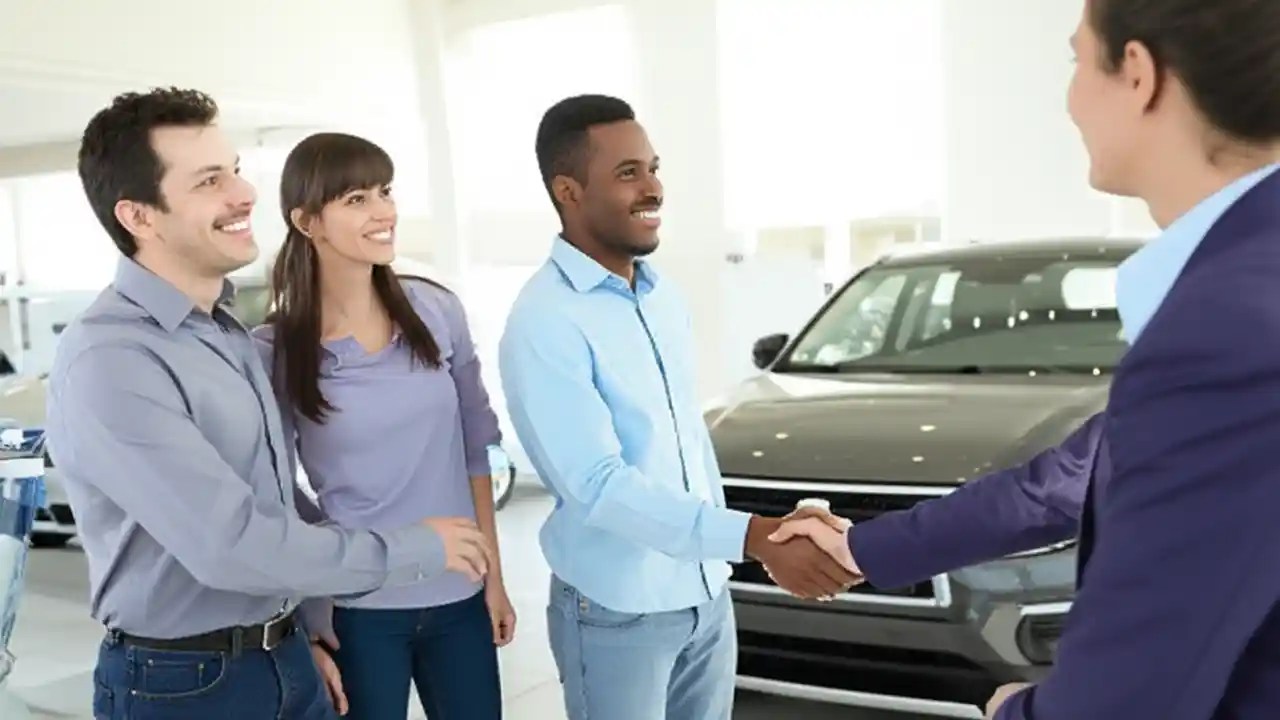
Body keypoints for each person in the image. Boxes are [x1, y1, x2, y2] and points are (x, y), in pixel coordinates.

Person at [776, 1, 1280, 717]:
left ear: (1138, 75)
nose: (1070, 99)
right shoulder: (1247, 288)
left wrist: (1011, 708)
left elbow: (1116, 705)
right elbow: (1071, 477)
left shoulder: (1222, 329)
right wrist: (860, 546)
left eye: (1076, 60)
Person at [44, 88, 495, 720]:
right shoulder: (113, 359)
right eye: (209, 180)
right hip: (184, 684)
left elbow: (278, 498)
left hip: (283, 657)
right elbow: (231, 541)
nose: (244, 193)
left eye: (233, 169)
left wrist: (305, 626)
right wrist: (412, 547)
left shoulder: (223, 333)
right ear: (139, 216)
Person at [497, 94, 858, 720]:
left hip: (705, 596)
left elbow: (682, 446)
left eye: (654, 167)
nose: (654, 187)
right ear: (569, 190)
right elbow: (599, 486)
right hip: (618, 611)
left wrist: (761, 531)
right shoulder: (544, 322)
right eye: (628, 173)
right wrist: (754, 536)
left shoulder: (661, 296)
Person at [253, 131, 514, 720]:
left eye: (385, 192)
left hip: (459, 597)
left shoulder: (436, 311)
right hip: (358, 611)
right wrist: (314, 604)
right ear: (306, 221)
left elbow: (476, 451)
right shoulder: (274, 350)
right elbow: (272, 490)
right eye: (356, 200)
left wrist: (492, 577)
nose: (384, 212)